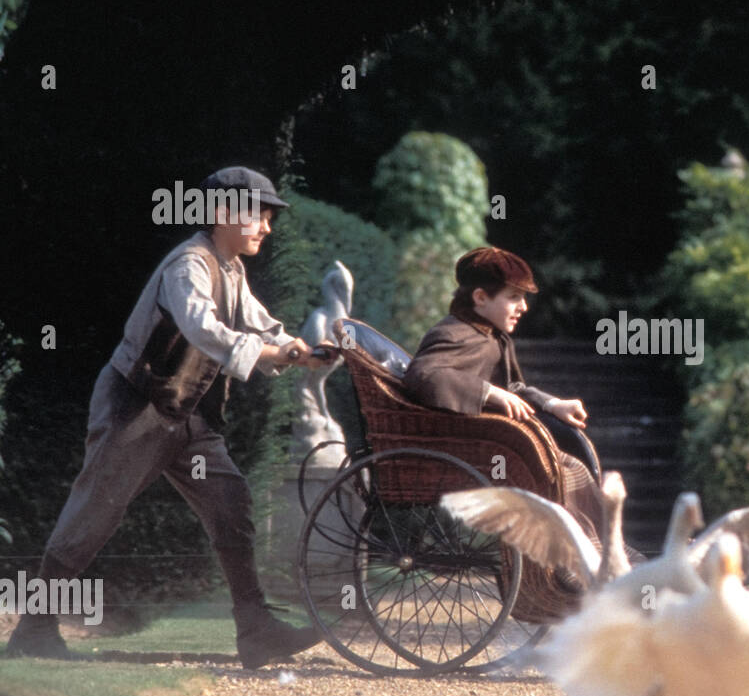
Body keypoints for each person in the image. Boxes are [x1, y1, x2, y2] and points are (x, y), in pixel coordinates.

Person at [5, 167, 328, 668]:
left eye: (269, 217)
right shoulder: (188, 265)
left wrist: (297, 349)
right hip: (136, 407)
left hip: (186, 413)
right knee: (95, 510)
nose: (267, 227)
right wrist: (272, 354)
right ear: (222, 214)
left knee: (231, 504)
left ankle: (256, 629)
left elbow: (259, 323)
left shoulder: (230, 269)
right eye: (258, 215)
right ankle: (34, 629)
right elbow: (203, 329)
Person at [402, 247, 610, 580]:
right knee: (561, 470)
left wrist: (552, 404)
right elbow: (423, 374)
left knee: (574, 467)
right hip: (469, 446)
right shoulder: (454, 333)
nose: (523, 307)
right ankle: (583, 563)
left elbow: (512, 387)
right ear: (480, 297)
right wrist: (488, 392)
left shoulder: (492, 336)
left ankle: (601, 554)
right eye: (514, 297)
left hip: (494, 444)